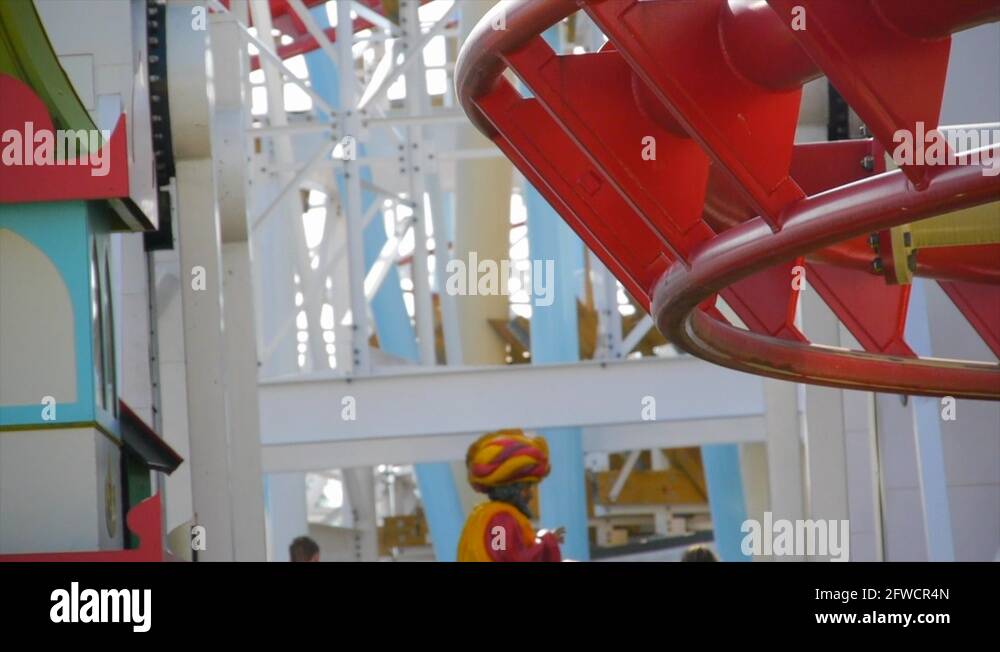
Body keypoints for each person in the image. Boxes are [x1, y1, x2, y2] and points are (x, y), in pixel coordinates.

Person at [457, 429, 564, 562]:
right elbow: (504, 555)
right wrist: (548, 541)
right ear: (512, 489)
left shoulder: (484, 515)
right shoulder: (500, 520)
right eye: (526, 487)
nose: (530, 495)